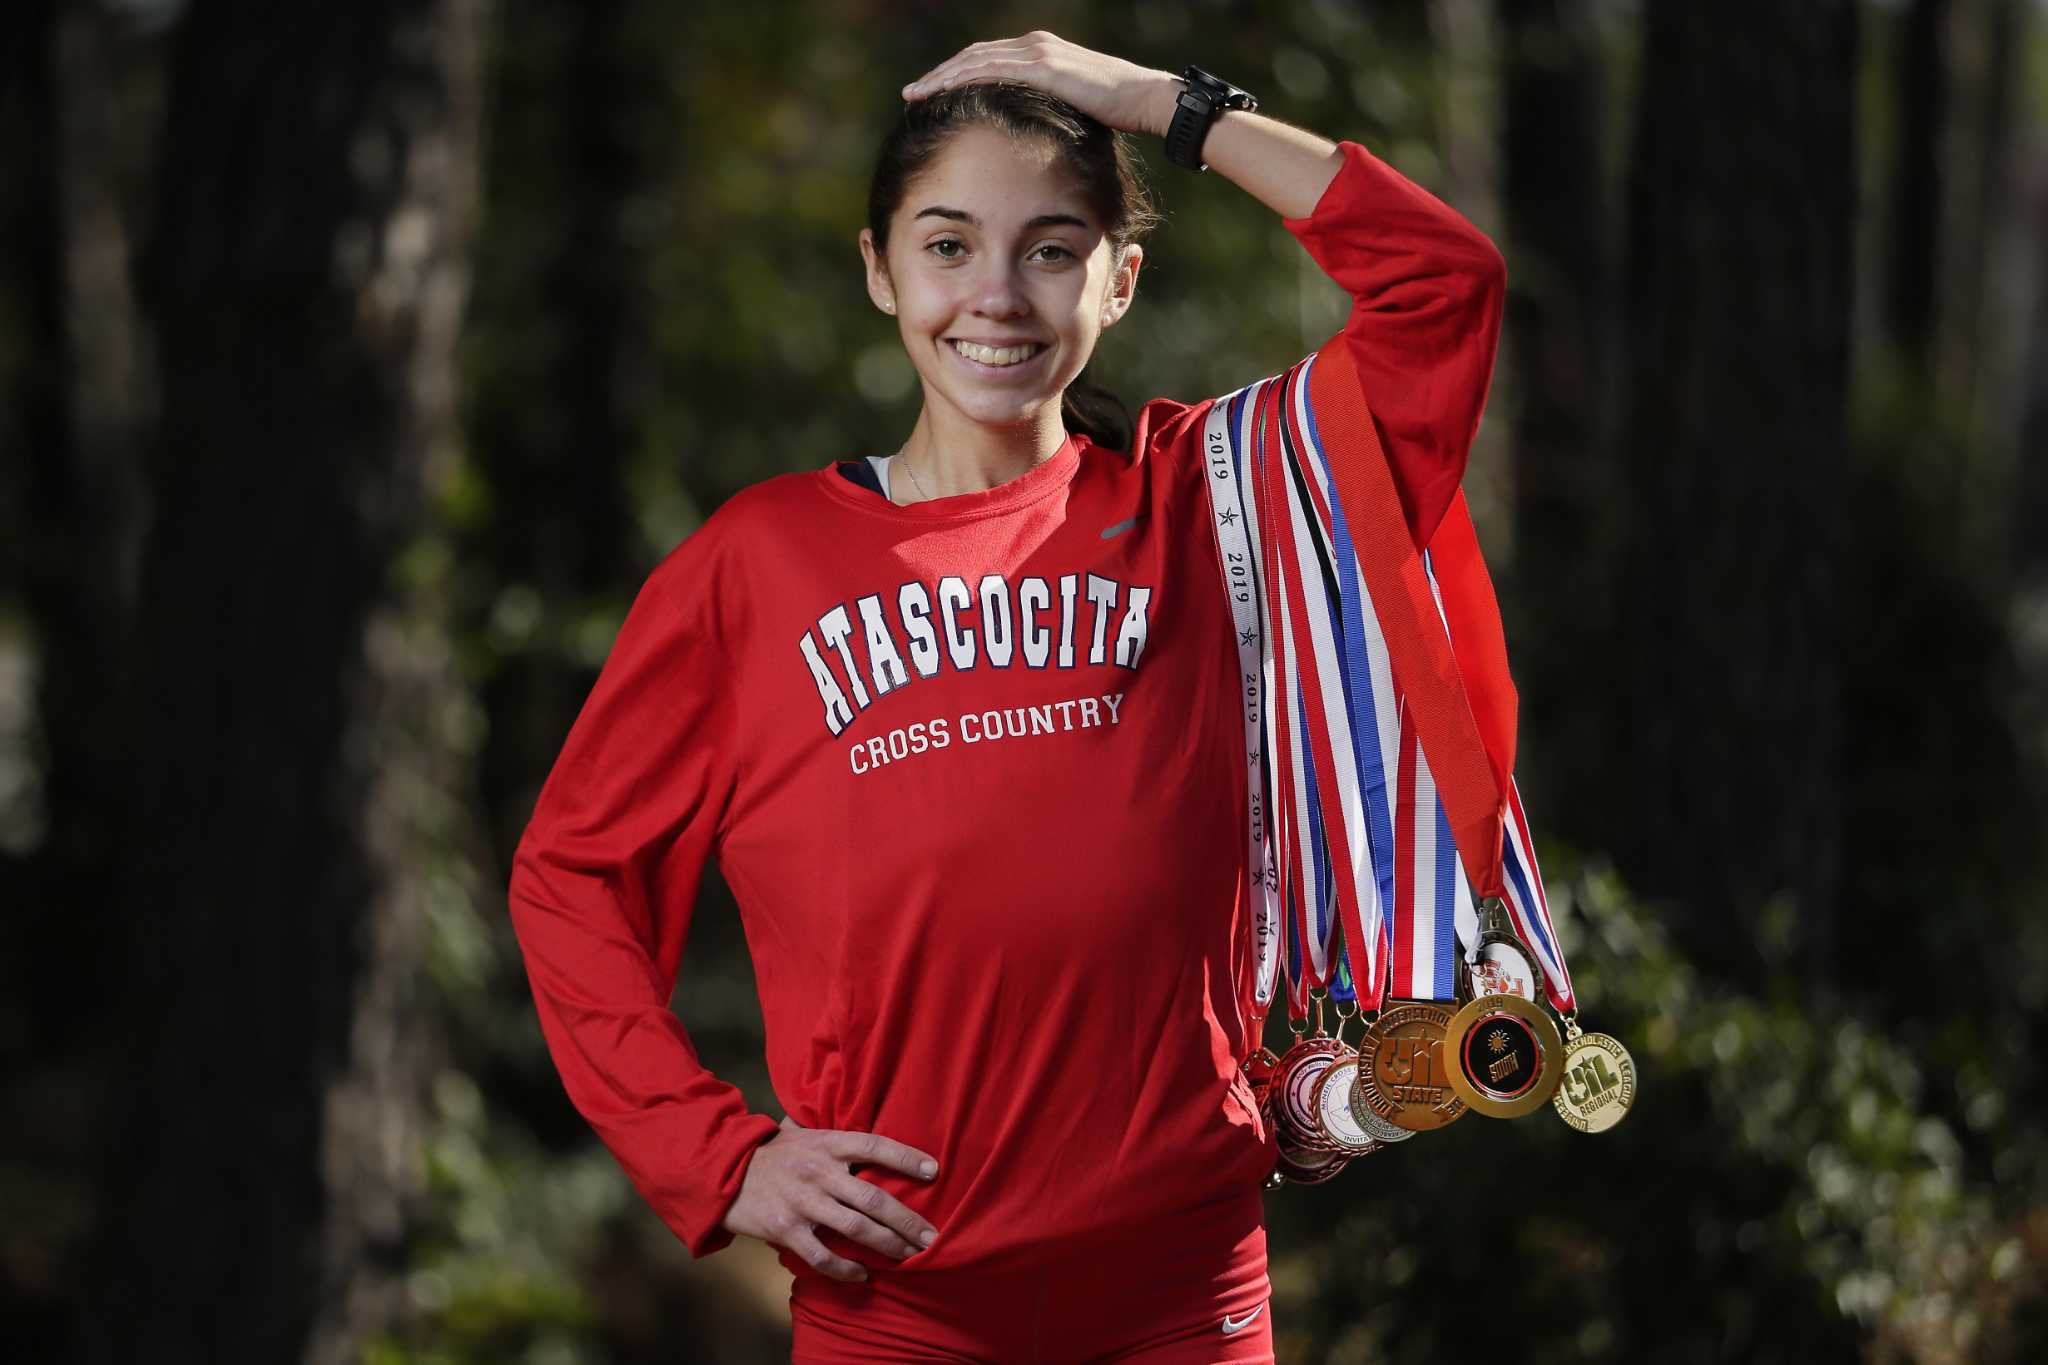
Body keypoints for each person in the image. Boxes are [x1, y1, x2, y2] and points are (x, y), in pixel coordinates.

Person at [506, 31, 1504, 1365]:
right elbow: (573, 875)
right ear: (878, 269)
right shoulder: (755, 566)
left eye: (1051, 247)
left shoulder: (1205, 502)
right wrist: (719, 1156)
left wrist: (1161, 105)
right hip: (905, 1311)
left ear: (1120, 280)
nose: (999, 294)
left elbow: (1445, 283)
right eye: (948, 244)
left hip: (1184, 1298)